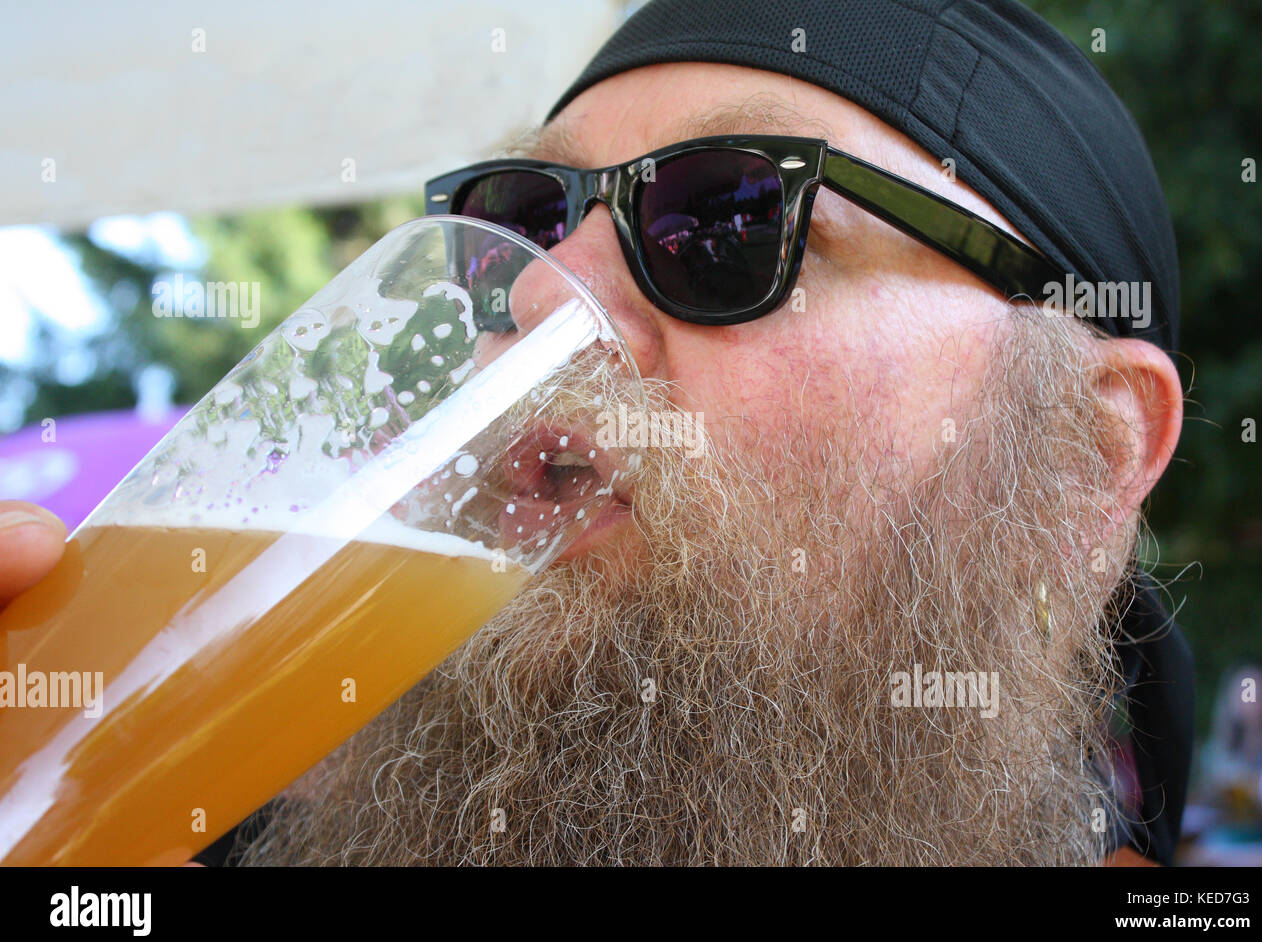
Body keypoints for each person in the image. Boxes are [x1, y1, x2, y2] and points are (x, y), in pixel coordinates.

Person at [1, 0, 1194, 865]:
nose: (533, 293)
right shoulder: (154, 827)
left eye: (723, 216)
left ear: (1089, 456)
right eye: (516, 216)